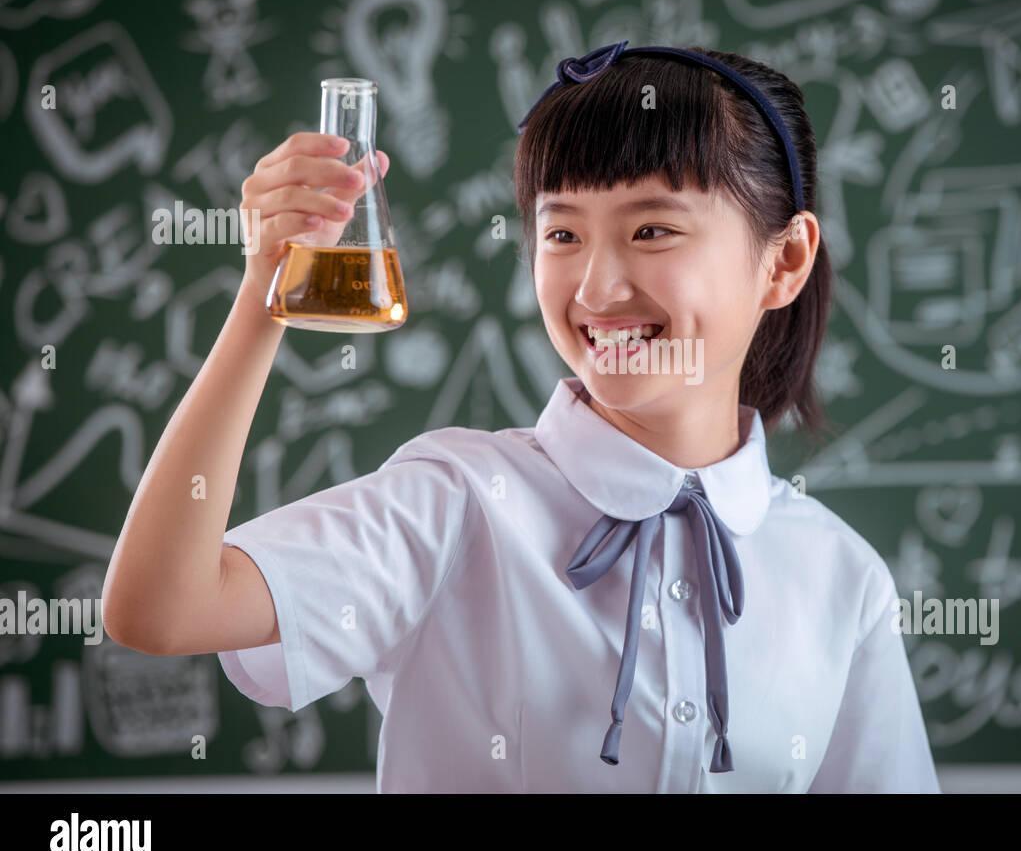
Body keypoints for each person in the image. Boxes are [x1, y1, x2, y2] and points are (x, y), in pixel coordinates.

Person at [104, 42, 940, 793]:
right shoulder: (453, 504)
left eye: (651, 229)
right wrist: (264, 296)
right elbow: (160, 608)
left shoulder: (840, 577)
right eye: (563, 234)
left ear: (784, 260)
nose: (597, 290)